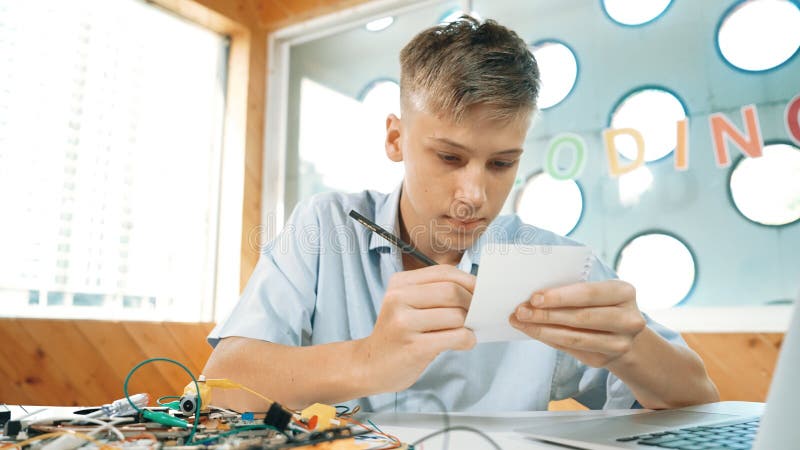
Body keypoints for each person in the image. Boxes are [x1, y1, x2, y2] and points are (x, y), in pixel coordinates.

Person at [203, 17, 719, 413]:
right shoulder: (325, 227)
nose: (474, 195)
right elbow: (220, 381)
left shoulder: (552, 263)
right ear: (395, 139)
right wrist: (368, 360)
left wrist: (633, 350)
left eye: (501, 163)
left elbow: (699, 399)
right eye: (449, 157)